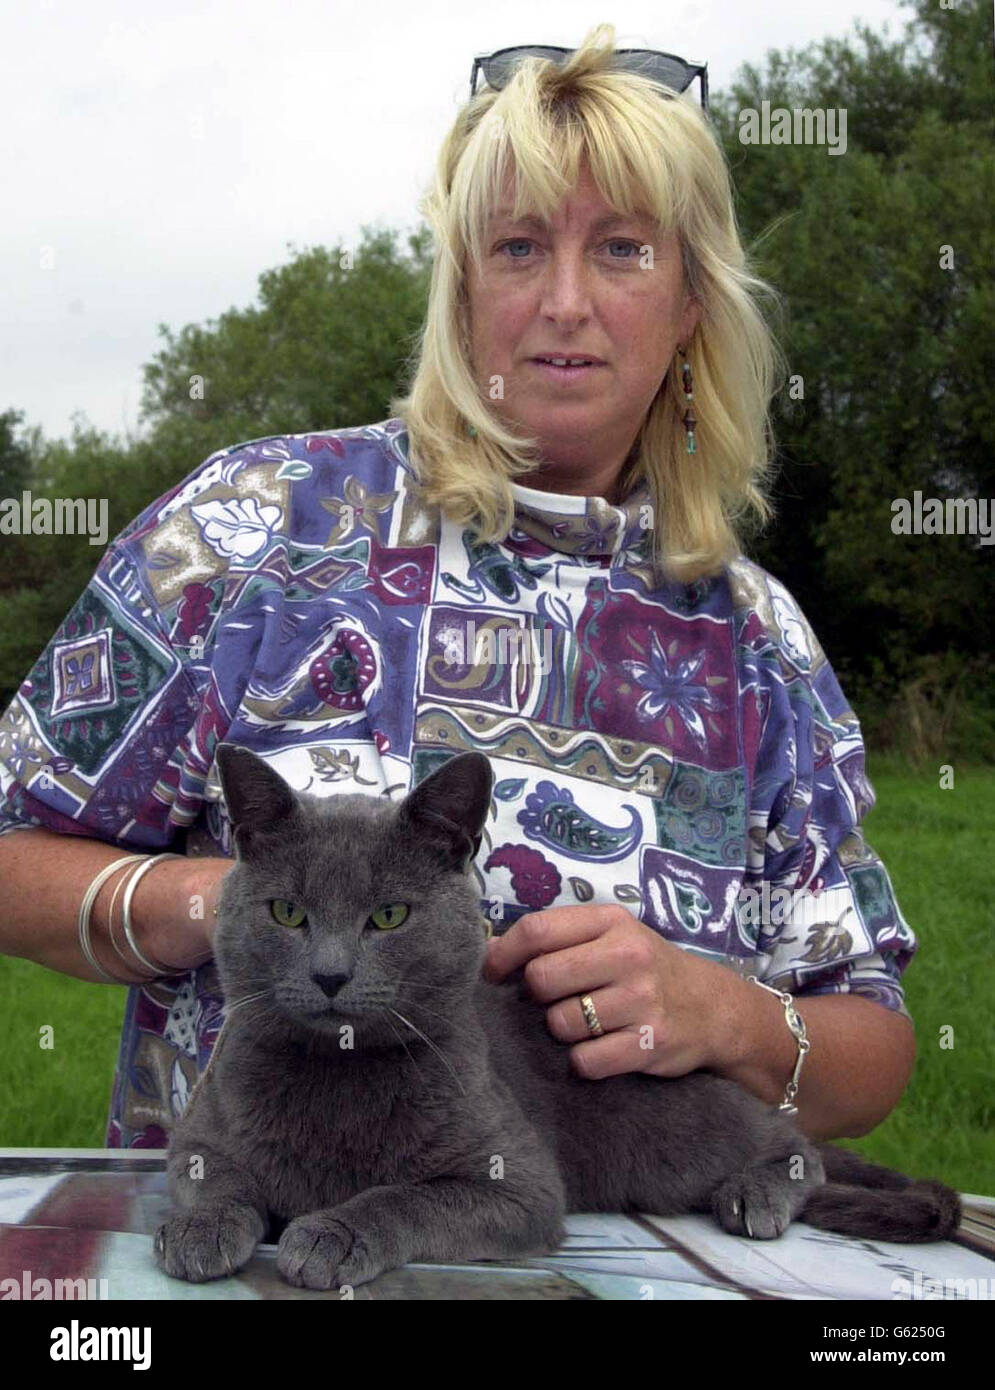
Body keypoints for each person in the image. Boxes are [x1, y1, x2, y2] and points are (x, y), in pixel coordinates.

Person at [0, 25, 916, 1152]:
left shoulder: (753, 639)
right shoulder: (255, 530)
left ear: (689, 304)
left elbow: (867, 1041)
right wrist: (217, 907)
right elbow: (12, 853)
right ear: (461, 286)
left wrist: (722, 1013)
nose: (565, 301)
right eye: (518, 246)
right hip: (248, 1246)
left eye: (622, 249)